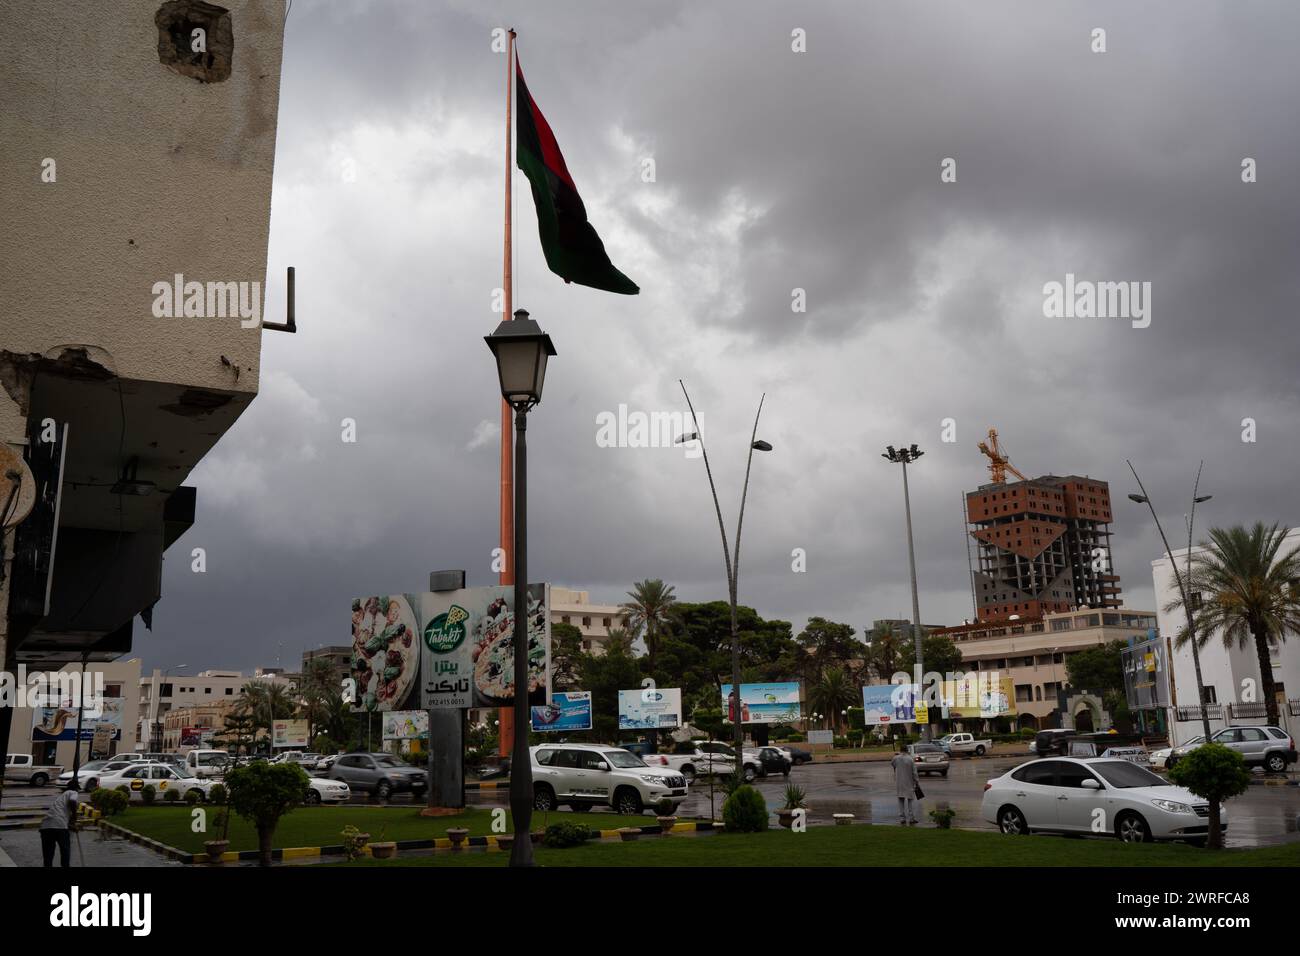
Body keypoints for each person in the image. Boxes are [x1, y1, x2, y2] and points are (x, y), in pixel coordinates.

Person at [39, 787, 80, 867]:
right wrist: (75, 816)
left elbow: (59, 816)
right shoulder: (73, 792)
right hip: (60, 826)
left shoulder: (60, 800)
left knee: (48, 856)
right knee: (65, 853)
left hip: (45, 827)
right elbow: (72, 801)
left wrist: (71, 825)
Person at [890, 742, 921, 825]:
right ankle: (911, 818)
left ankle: (902, 818)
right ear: (907, 750)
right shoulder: (910, 759)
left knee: (900, 800)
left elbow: (892, 764)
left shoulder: (896, 758)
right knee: (910, 800)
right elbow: (914, 772)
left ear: (900, 750)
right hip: (909, 782)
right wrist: (917, 781)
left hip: (899, 782)